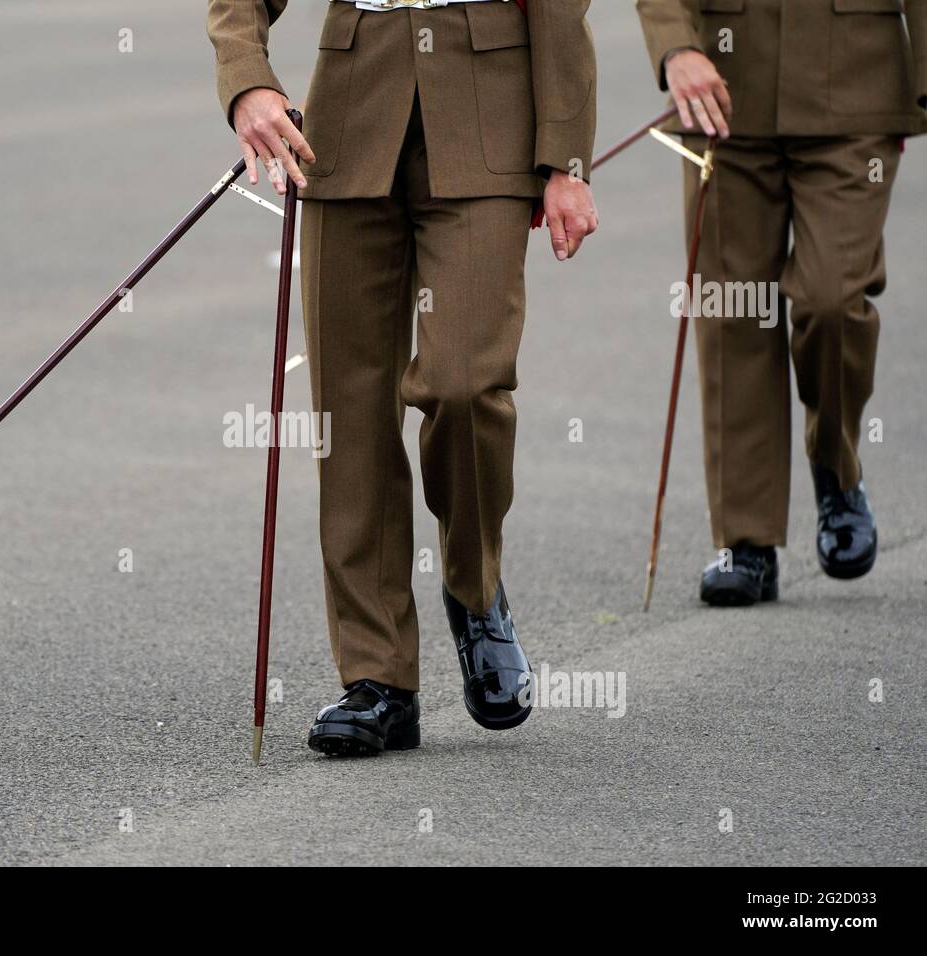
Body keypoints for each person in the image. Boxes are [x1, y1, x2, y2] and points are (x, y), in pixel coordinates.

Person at [207, 0, 598, 754]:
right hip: (351, 119)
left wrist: (564, 161)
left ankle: (474, 587)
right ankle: (378, 677)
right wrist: (247, 80)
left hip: (488, 117)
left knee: (465, 383)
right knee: (349, 412)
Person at [635, 0, 927, 606]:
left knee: (832, 299)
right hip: (724, 94)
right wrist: (675, 48)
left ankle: (836, 468)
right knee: (735, 309)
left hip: (856, 92)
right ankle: (745, 540)